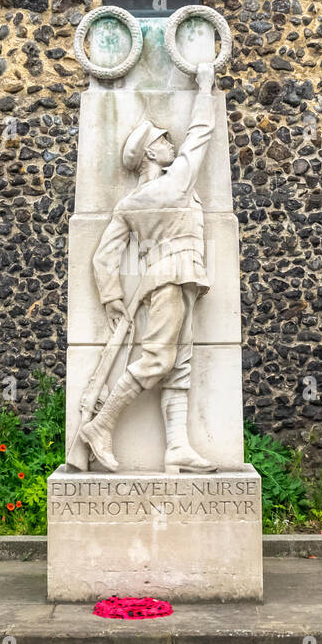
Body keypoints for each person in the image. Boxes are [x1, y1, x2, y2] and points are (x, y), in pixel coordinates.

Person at [76, 61, 219, 473]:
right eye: (162, 140)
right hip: (171, 277)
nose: (170, 143)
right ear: (151, 153)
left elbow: (104, 256)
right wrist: (205, 89)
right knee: (159, 359)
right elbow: (199, 136)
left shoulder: (129, 203)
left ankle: (177, 446)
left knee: (179, 363)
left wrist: (113, 298)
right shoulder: (173, 185)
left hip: (180, 279)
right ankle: (100, 426)